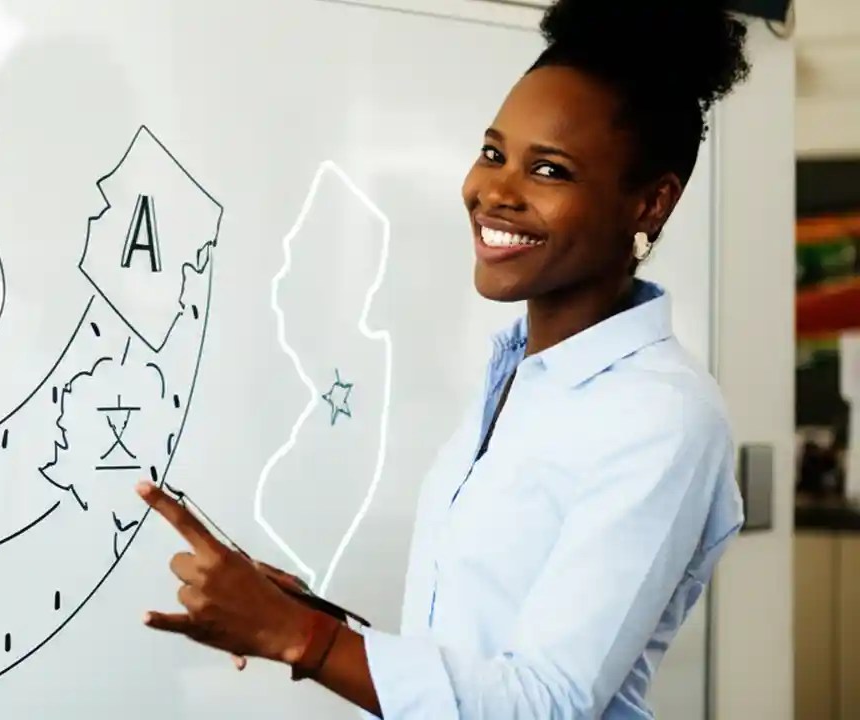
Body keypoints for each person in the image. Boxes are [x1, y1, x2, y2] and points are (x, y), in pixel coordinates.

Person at [135, 0, 752, 716]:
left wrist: (299, 637)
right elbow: (469, 657)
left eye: (548, 170)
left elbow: (545, 703)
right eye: (493, 153)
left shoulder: (661, 415)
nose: (495, 191)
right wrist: (311, 618)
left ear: (650, 205)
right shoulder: (521, 377)